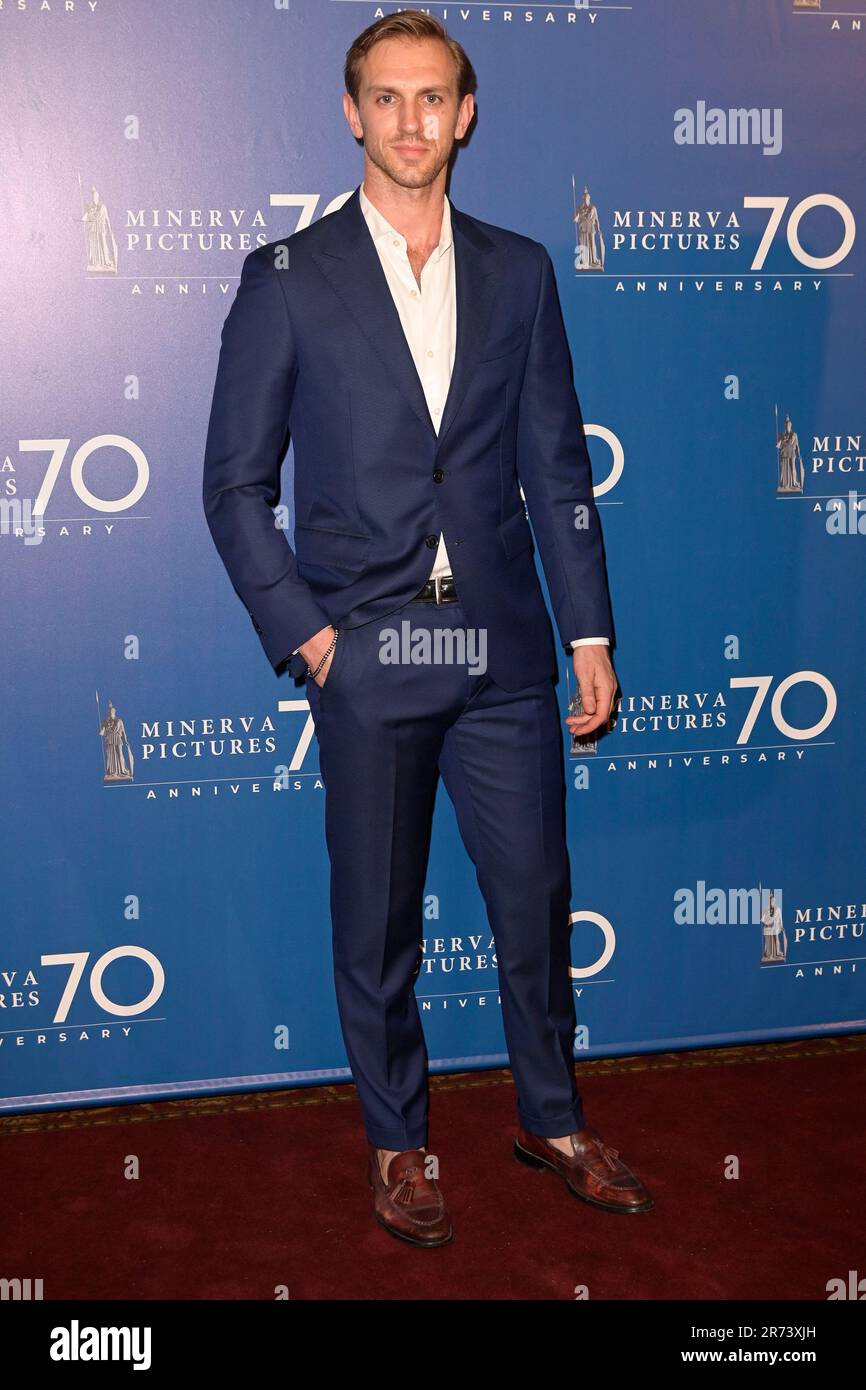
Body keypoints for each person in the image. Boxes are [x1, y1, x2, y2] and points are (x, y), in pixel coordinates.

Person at [202, 10, 653, 1247]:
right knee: (378, 922)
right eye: (386, 98)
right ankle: (400, 1145)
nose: (410, 120)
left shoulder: (518, 270)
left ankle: (549, 1121)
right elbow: (234, 485)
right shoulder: (286, 277)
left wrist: (589, 636)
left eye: (433, 97)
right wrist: (312, 637)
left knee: (531, 903)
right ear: (353, 114)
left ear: (465, 114)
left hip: (502, 650)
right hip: (372, 646)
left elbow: (554, 465)